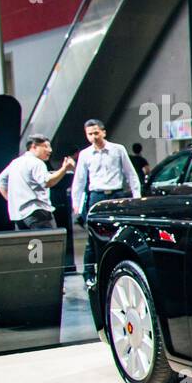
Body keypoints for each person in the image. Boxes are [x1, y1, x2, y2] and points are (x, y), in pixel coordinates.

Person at [71, 119, 142, 281]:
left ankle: (116, 269)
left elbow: (130, 174)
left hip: (116, 196)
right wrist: (75, 202)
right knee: (93, 237)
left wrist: (136, 197)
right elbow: (79, 180)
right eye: (90, 134)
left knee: (119, 234)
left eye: (96, 133)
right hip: (96, 196)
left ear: (103, 132)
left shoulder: (118, 150)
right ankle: (89, 274)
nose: (94, 137)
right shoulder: (85, 154)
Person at [0, 135, 74, 230]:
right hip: (38, 213)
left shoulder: (15, 162)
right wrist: (64, 169)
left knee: (27, 244)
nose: (50, 150)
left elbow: (0, 183)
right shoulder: (37, 162)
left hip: (19, 216)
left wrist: (12, 201)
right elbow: (48, 182)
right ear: (34, 147)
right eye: (46, 146)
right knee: (46, 244)